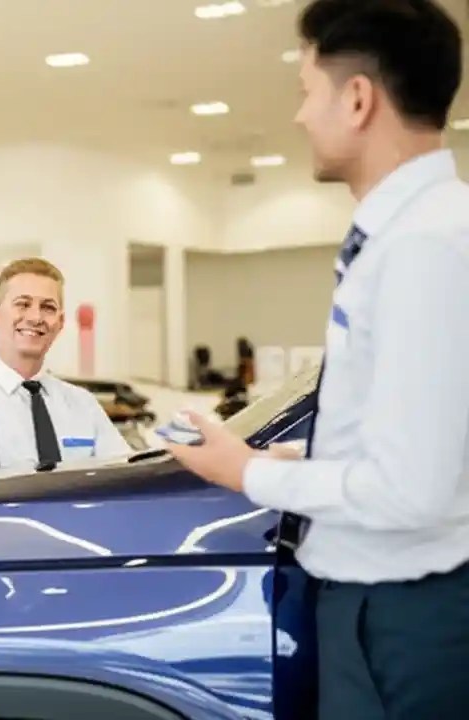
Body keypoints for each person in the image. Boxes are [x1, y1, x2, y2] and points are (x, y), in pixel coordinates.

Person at [169, 1, 469, 717]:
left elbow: (411, 490)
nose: (300, 115)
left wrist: (246, 472)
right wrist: (295, 457)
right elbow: (419, 438)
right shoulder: (409, 233)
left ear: (358, 98)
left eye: (307, 91)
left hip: (400, 618)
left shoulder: (426, 245)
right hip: (387, 609)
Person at [0, 257, 130, 476]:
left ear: (60, 323)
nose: (36, 317)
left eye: (48, 307)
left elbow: (123, 475)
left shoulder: (83, 404)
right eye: (23, 304)